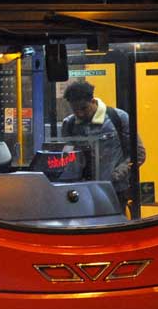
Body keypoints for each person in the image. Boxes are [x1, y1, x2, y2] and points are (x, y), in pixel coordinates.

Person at [60, 79, 145, 213]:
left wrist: (117, 174)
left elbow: (138, 154)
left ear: (93, 101)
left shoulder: (118, 118)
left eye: (84, 108)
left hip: (114, 190)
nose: (80, 113)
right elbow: (67, 157)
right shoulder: (69, 124)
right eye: (75, 110)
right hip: (81, 191)